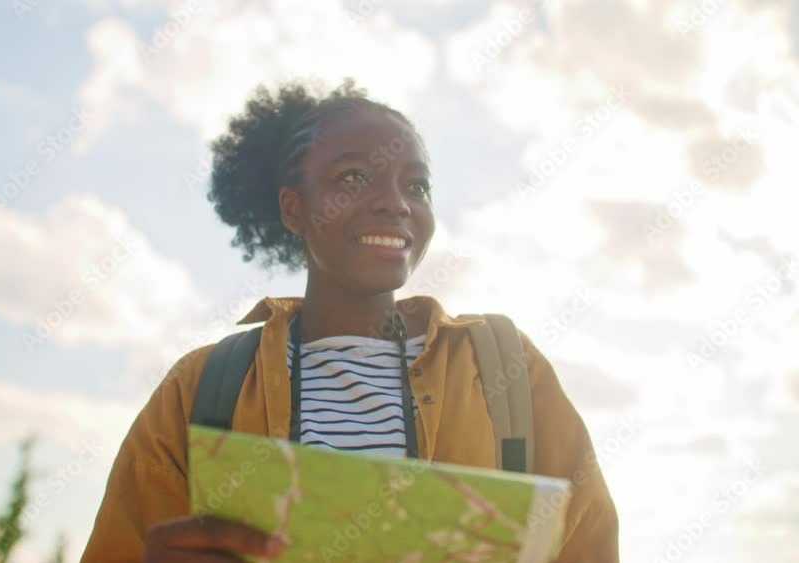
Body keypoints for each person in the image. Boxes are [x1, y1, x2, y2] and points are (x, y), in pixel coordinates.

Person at [80, 78, 619, 562]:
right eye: (355, 177)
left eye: (417, 186)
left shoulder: (504, 366)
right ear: (293, 209)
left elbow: (588, 542)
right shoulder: (200, 390)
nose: (396, 203)